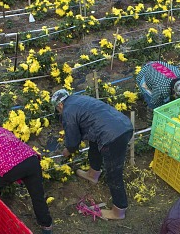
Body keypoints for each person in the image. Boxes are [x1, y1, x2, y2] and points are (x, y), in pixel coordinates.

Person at [52, 89, 133, 221]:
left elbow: (73, 141)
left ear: (60, 105)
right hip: (123, 125)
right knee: (94, 144)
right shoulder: (80, 99)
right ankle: (92, 175)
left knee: (113, 173)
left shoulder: (67, 111)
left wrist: (68, 151)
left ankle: (119, 211)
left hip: (113, 136)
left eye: (57, 110)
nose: (59, 112)